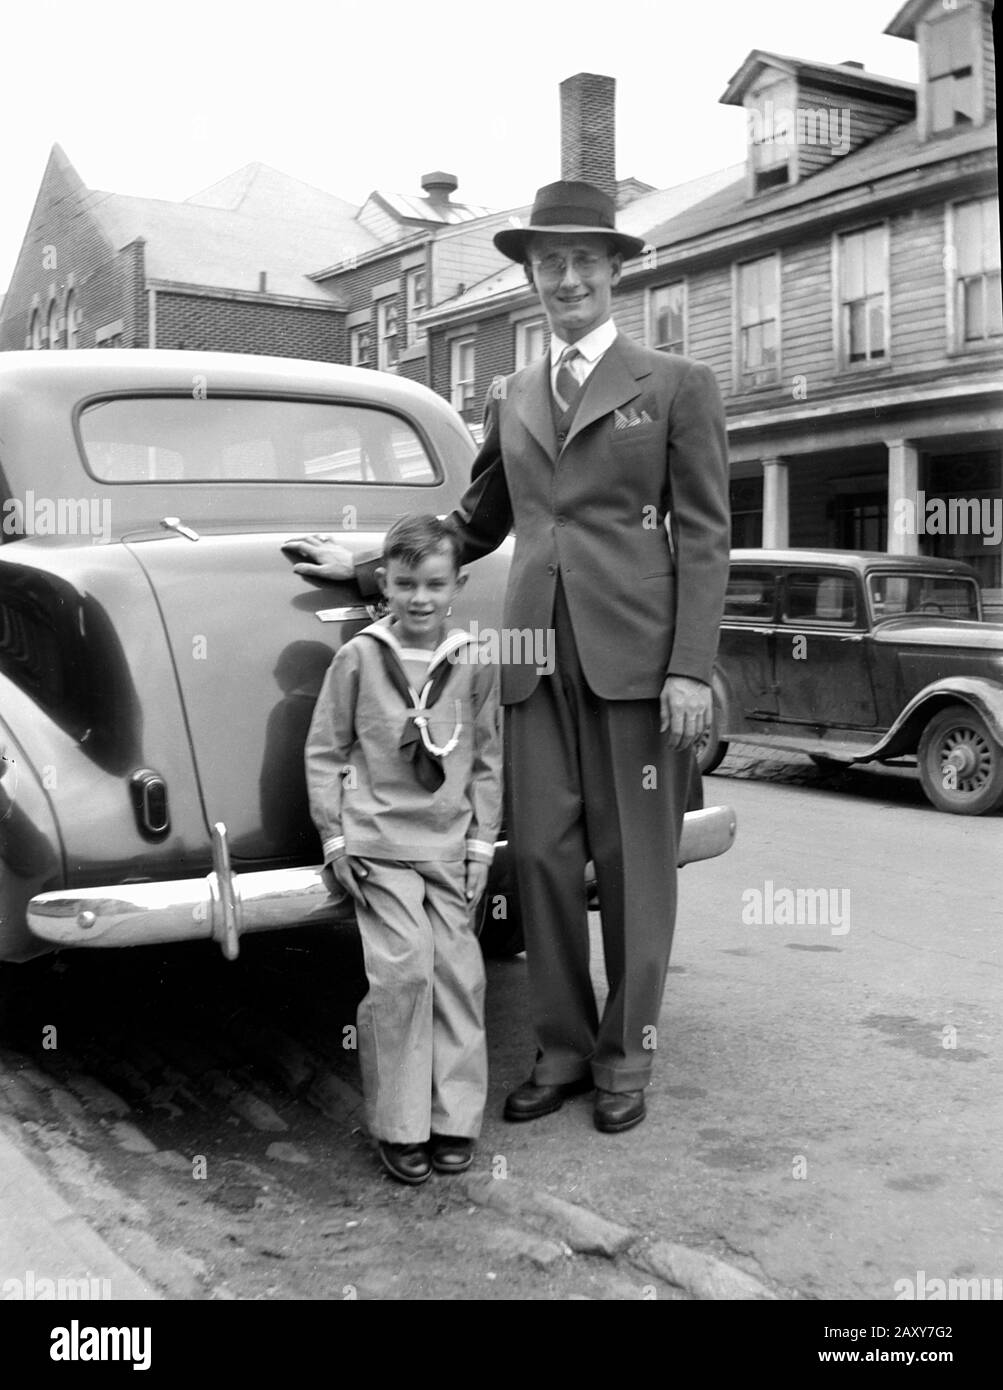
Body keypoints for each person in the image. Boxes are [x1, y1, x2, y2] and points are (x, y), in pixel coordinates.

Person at [294, 179, 730, 1135]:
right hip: (531, 656)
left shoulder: (675, 387)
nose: (564, 278)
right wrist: (368, 566)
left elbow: (703, 539)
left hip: (640, 663)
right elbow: (475, 520)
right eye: (547, 265)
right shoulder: (518, 393)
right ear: (531, 278)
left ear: (613, 270)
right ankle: (565, 1050)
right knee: (535, 858)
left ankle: (626, 1059)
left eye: (582, 261)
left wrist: (691, 667)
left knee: (634, 868)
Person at [304, 514, 502, 1184]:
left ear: (458, 585)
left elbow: (487, 762)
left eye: (435, 584)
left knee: (458, 973)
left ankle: (453, 1121)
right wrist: (334, 835)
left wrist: (480, 846)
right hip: (379, 845)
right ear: (383, 582)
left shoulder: (474, 661)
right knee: (404, 972)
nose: (420, 598)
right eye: (407, 583)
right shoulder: (358, 657)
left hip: (448, 847)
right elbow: (326, 750)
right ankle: (400, 1126)